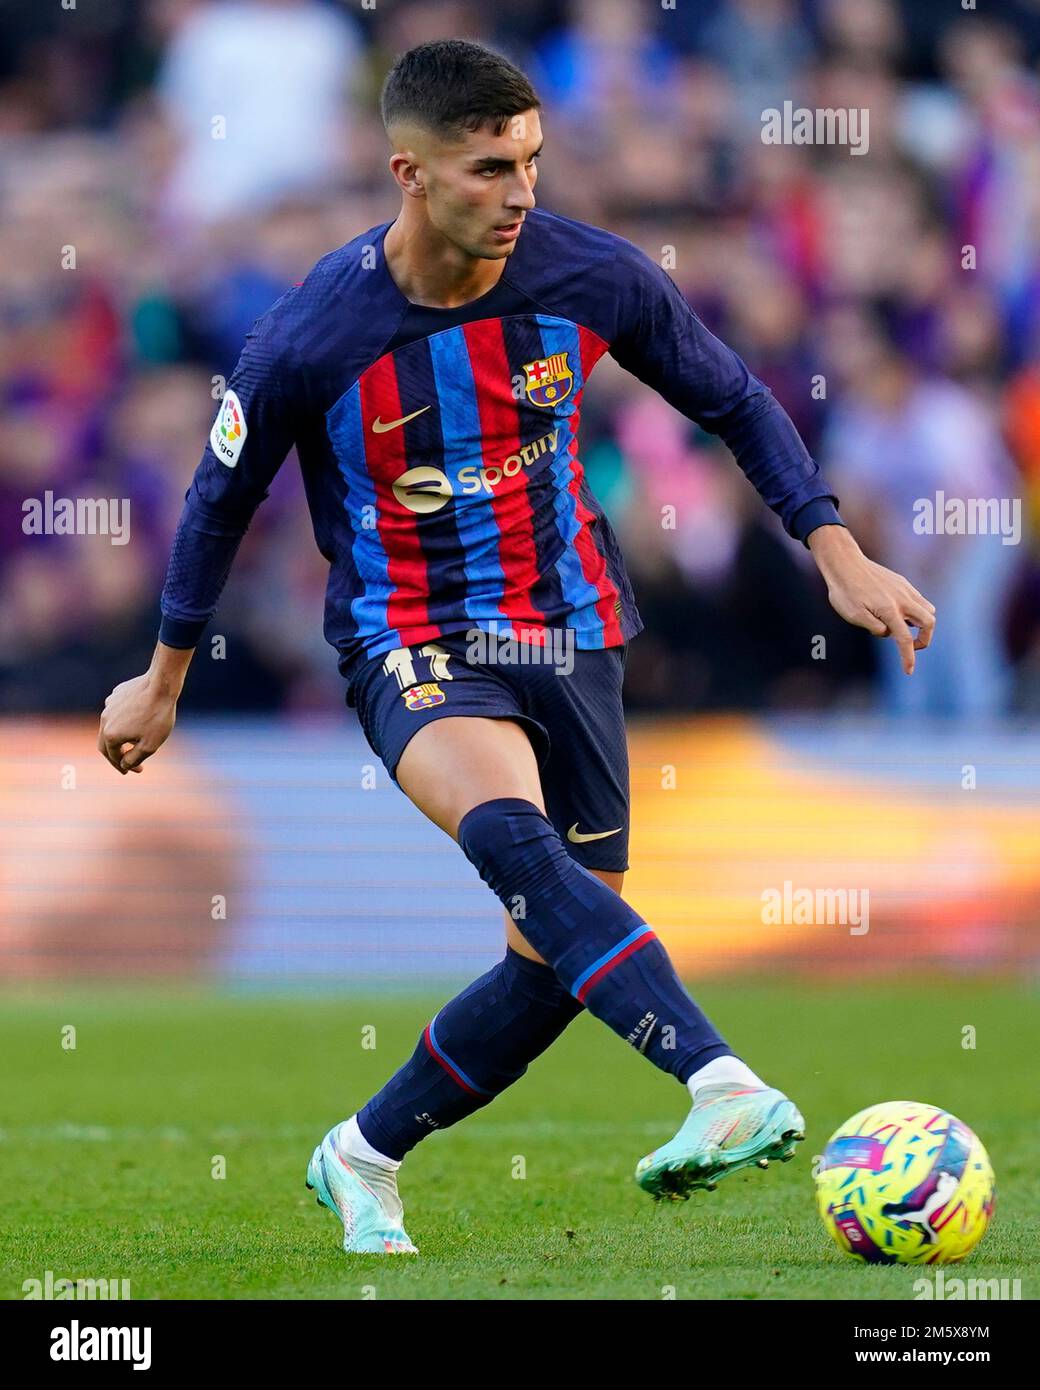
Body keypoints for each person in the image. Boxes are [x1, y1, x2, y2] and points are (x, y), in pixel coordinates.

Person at [98, 39, 936, 1255]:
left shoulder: (591, 275)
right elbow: (217, 500)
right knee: (512, 838)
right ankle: (718, 1080)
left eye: (531, 161)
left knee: (552, 960)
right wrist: (163, 676)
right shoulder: (311, 334)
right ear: (410, 172)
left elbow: (732, 398)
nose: (520, 192)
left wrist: (833, 547)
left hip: (571, 628)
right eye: (490, 169)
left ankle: (361, 1151)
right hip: (409, 633)